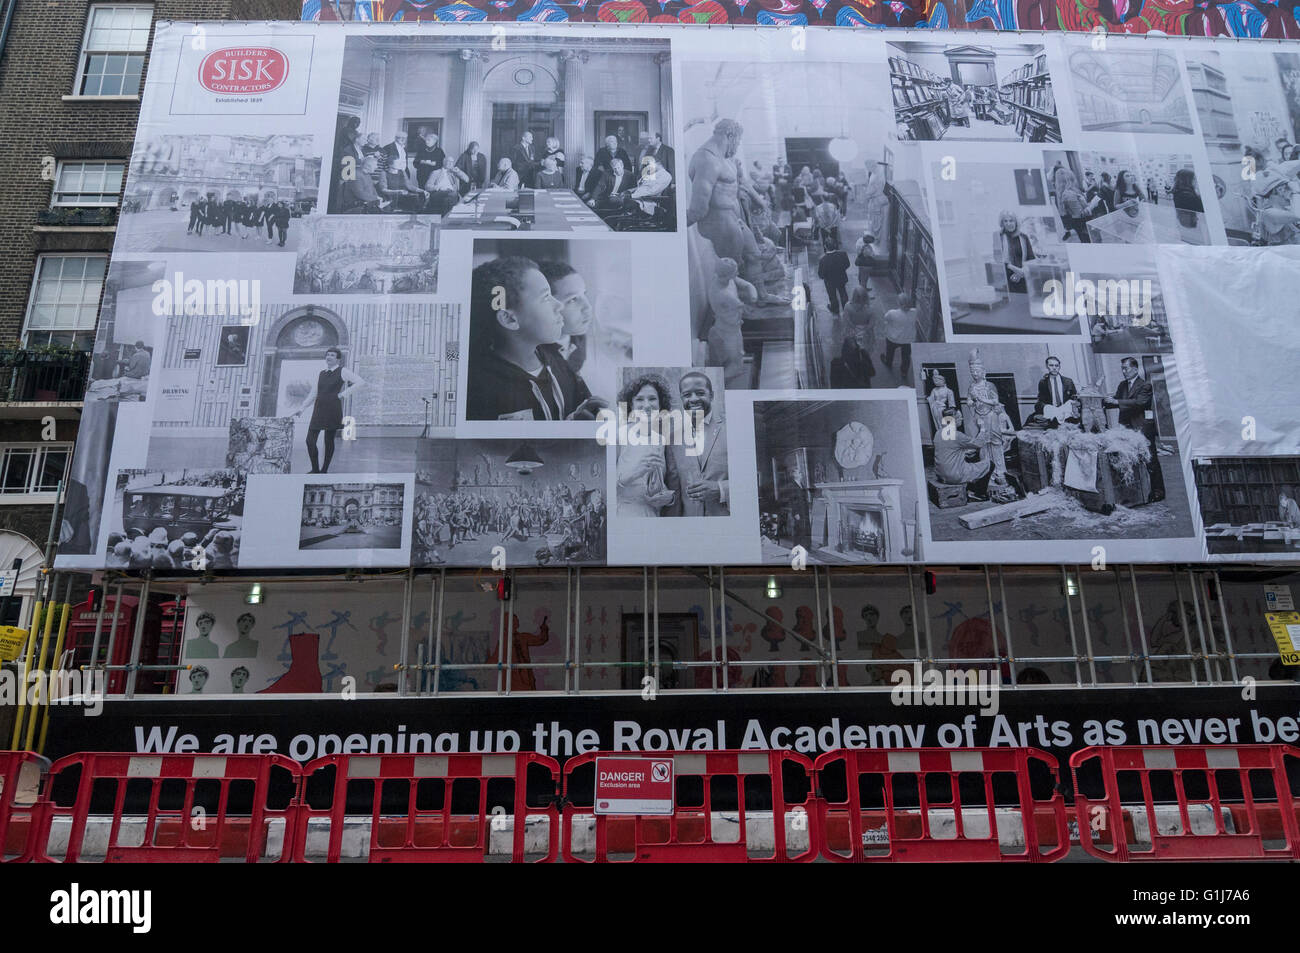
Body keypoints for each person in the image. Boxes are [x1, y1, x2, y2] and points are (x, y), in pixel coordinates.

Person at [465, 257, 607, 422]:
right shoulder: (479, 389)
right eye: (546, 297)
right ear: (509, 319)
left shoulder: (558, 362)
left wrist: (576, 421)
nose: (559, 306)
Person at [293, 346, 366, 474]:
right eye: (327, 355)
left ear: (338, 359)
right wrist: (302, 409)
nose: (329, 357)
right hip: (319, 409)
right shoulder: (321, 373)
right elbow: (313, 393)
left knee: (328, 441)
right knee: (310, 441)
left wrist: (342, 394)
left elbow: (360, 382)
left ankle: (324, 470)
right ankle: (315, 469)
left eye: (332, 355)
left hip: (333, 408)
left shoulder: (343, 371)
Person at [666, 371, 729, 517]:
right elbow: (675, 490)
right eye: (687, 395)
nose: (693, 399)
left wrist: (720, 489)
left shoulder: (731, 428)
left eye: (700, 393)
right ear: (682, 398)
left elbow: (748, 480)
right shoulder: (673, 438)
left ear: (711, 395)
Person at [1103, 356, 1165, 503]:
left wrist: (1116, 401)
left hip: (1142, 427)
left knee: (1150, 459)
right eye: (1122, 369)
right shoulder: (1122, 385)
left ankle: (1158, 491)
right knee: (1129, 459)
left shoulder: (1145, 385)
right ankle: (1137, 491)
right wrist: (1101, 401)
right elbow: (1116, 402)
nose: (1124, 371)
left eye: (1126, 368)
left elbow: (1139, 403)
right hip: (1126, 427)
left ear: (1135, 369)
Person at [616, 374, 678, 517]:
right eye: (639, 399)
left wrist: (668, 498)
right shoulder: (618, 434)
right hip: (625, 515)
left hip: (652, 516)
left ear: (660, 403)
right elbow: (606, 483)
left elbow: (658, 483)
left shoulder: (661, 440)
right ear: (631, 404)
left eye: (652, 398)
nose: (647, 405)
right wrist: (634, 472)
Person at [536, 258, 593, 376]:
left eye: (584, 294)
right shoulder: (533, 354)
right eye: (573, 299)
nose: (588, 307)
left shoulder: (578, 336)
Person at [485, 614, 549, 692]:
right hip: (513, 680)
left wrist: (544, 629)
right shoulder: (504, 641)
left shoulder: (522, 637)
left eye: (516, 620)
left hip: (524, 678)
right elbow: (495, 659)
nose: (517, 622)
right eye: (514, 621)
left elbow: (540, 639)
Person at [880, 292, 919, 377]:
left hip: (893, 338)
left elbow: (886, 318)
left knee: (890, 351)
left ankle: (888, 362)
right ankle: (904, 372)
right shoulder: (914, 312)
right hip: (908, 339)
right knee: (906, 357)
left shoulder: (892, 313)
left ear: (898, 303)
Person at [996, 210, 1035, 295]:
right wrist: (1016, 270)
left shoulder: (1024, 237)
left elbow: (1031, 258)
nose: (1008, 223)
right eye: (1005, 221)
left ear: (1016, 222)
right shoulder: (998, 237)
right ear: (1002, 223)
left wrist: (1021, 273)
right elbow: (998, 260)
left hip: (1024, 277)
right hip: (1007, 278)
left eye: (1011, 220)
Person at [1033, 355, 1079, 426]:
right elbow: (1041, 400)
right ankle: (1057, 416)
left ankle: (1060, 416)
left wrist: (1069, 405)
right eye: (1051, 365)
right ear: (1047, 366)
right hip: (1051, 410)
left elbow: (1074, 398)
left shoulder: (1068, 381)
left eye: (1056, 365)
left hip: (1065, 409)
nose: (1054, 368)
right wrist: (1049, 408)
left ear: (1059, 366)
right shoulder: (1043, 382)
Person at [1054, 167, 1091, 243]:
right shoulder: (1069, 194)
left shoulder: (1065, 192)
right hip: (1083, 224)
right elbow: (1079, 214)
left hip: (1079, 224)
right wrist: (1089, 206)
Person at [817, 239, 851, 315]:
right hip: (841, 278)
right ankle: (846, 309)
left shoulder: (823, 260)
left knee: (832, 296)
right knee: (843, 293)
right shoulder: (843, 254)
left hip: (830, 282)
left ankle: (835, 310)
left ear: (825, 247)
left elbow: (821, 275)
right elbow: (847, 265)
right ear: (835, 245)